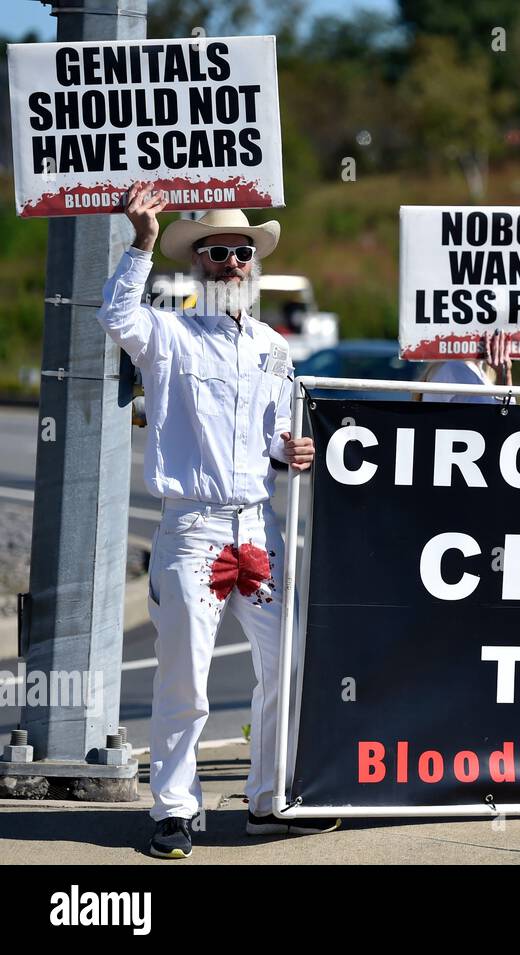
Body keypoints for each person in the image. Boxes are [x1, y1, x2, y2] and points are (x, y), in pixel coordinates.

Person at [97, 182, 339, 859]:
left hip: (254, 529)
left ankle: (268, 797)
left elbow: (275, 435)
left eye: (240, 251)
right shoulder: (169, 335)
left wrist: (293, 449)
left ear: (253, 262)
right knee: (184, 676)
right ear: (196, 264)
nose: (230, 262)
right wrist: (141, 243)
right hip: (193, 530)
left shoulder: (271, 346)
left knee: (286, 661)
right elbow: (117, 317)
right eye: (216, 252)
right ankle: (175, 810)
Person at [413, 330, 513, 404]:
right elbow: (493, 418)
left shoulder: (477, 370)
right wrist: (504, 375)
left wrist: (504, 373)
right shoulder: (455, 368)